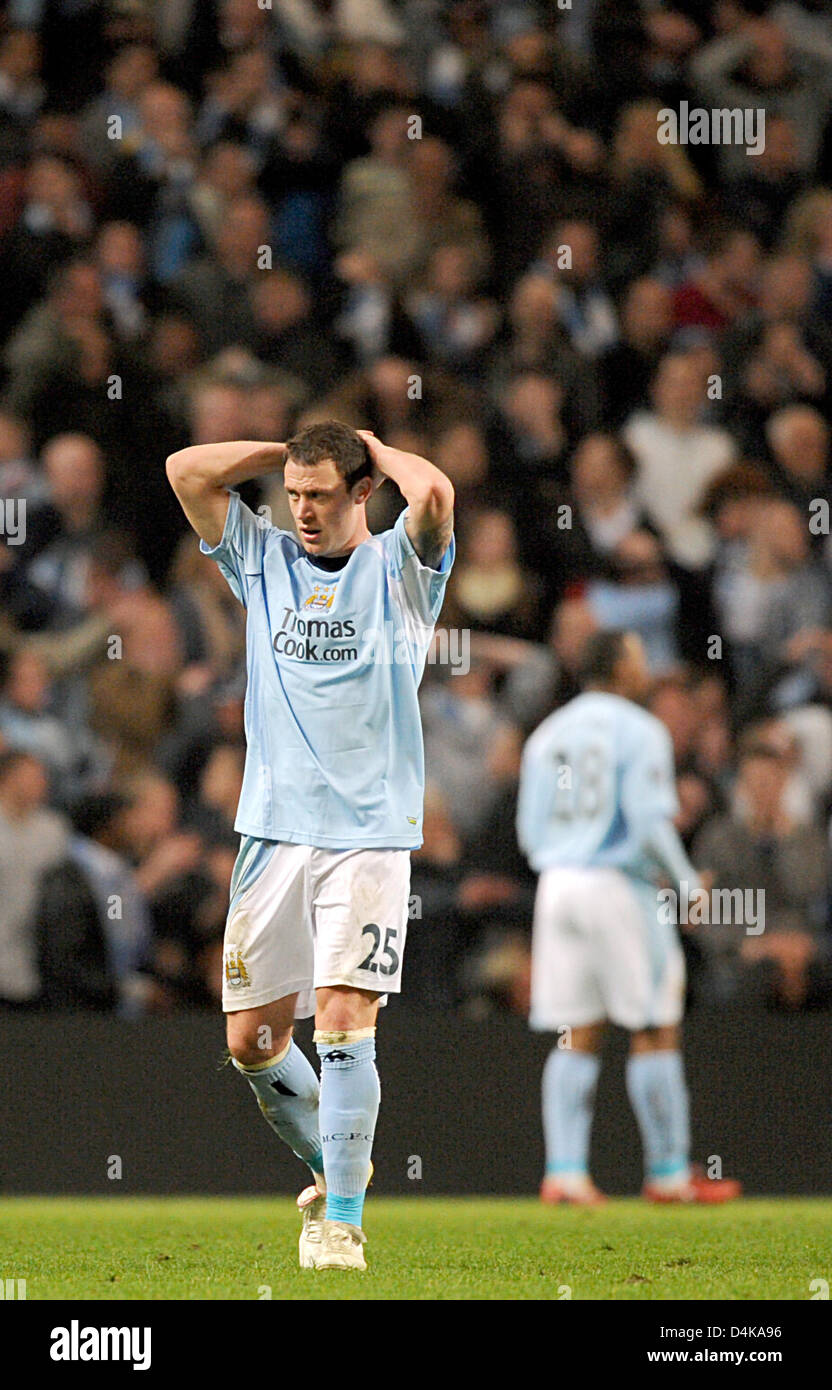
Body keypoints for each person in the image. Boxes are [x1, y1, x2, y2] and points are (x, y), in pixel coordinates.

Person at [166, 419, 454, 1269]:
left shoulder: (401, 571)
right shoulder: (262, 560)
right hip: (273, 832)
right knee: (251, 1043)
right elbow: (186, 471)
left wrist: (375, 444)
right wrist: (284, 452)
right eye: (293, 494)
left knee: (342, 1022)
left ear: (363, 491)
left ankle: (345, 1225)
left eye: (322, 494)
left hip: (367, 838)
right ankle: (335, 1173)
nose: (303, 510)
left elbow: (433, 492)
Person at [516, 628, 741, 1206]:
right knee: (655, 1024)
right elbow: (647, 820)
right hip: (619, 889)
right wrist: (689, 883)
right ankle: (668, 1173)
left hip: (558, 887)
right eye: (639, 658)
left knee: (576, 1030)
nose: (647, 669)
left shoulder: (548, 733)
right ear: (619, 668)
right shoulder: (640, 731)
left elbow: (528, 830)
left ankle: (564, 1171)